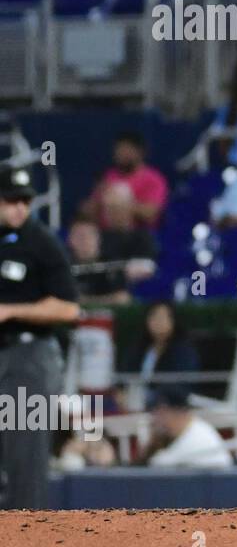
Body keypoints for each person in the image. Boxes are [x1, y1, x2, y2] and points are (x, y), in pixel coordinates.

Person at [0, 168, 80, 508]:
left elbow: (69, 309)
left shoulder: (40, 241)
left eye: (26, 201)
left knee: (25, 459)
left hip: (29, 357)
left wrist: (11, 311)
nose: (20, 208)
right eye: (11, 200)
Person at [82, 132, 169, 230]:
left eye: (126, 150)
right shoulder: (109, 176)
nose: (122, 154)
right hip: (107, 235)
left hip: (138, 236)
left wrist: (119, 204)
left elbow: (151, 213)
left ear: (140, 152)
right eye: (119, 150)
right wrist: (96, 203)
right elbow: (89, 210)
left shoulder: (153, 179)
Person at [140, 388, 233, 468]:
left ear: (177, 412)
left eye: (160, 411)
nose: (155, 417)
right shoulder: (194, 427)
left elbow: (157, 465)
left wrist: (153, 443)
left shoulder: (198, 436)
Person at [131, 301, 201, 393]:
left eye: (162, 317)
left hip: (170, 403)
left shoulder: (184, 351)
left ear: (173, 321)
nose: (158, 322)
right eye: (153, 317)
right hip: (136, 400)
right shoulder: (140, 347)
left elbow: (183, 385)